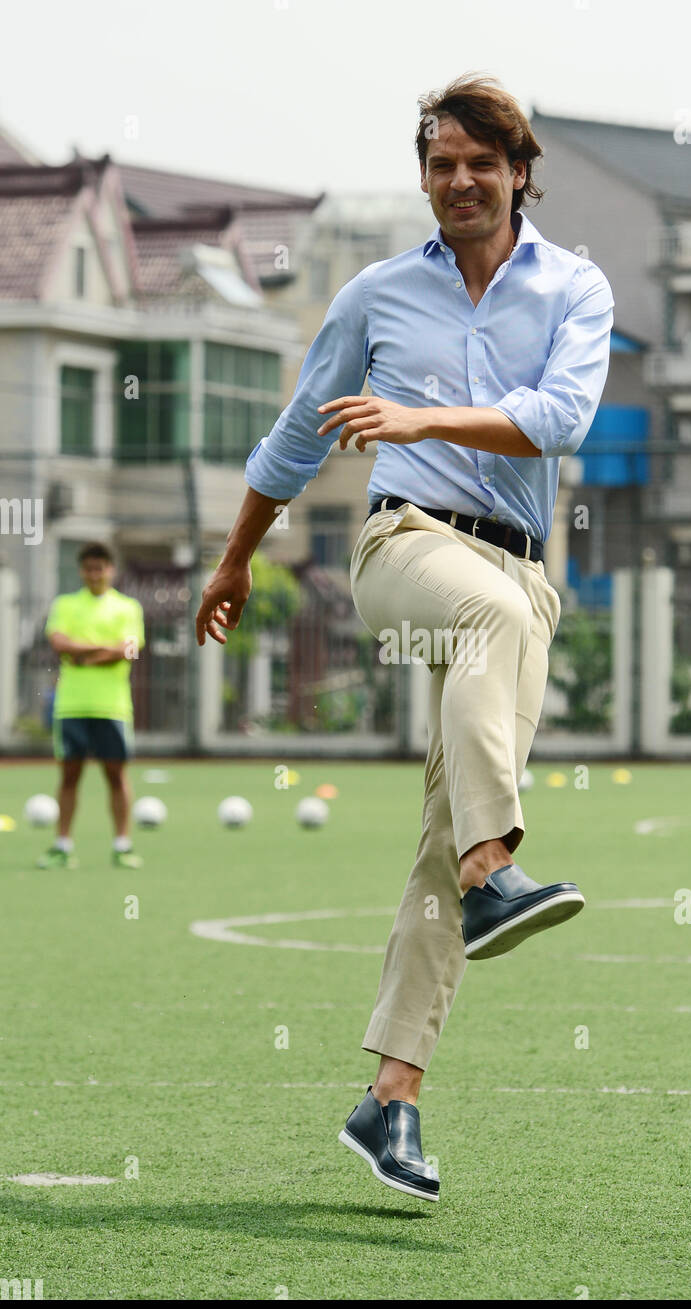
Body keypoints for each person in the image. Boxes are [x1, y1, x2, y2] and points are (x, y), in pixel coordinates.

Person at [195, 73, 614, 1203]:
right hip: (406, 546)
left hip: (522, 578)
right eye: (440, 165)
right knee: (477, 781)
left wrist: (421, 412)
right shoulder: (376, 296)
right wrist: (236, 555)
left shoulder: (575, 288)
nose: (459, 181)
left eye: (481, 163)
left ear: (518, 171)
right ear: (424, 176)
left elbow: (560, 421)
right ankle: (497, 866)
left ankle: (389, 1100)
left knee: (440, 832)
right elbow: (297, 436)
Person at [39, 541, 146, 870]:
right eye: (89, 568)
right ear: (82, 571)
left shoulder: (127, 607)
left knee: (116, 777)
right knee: (70, 777)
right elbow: (59, 643)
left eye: (100, 568)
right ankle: (62, 845)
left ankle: (122, 845)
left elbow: (128, 649)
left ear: (111, 570)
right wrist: (105, 649)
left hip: (112, 707)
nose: (95, 574)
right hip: (71, 707)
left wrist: (84, 652)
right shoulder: (65, 604)